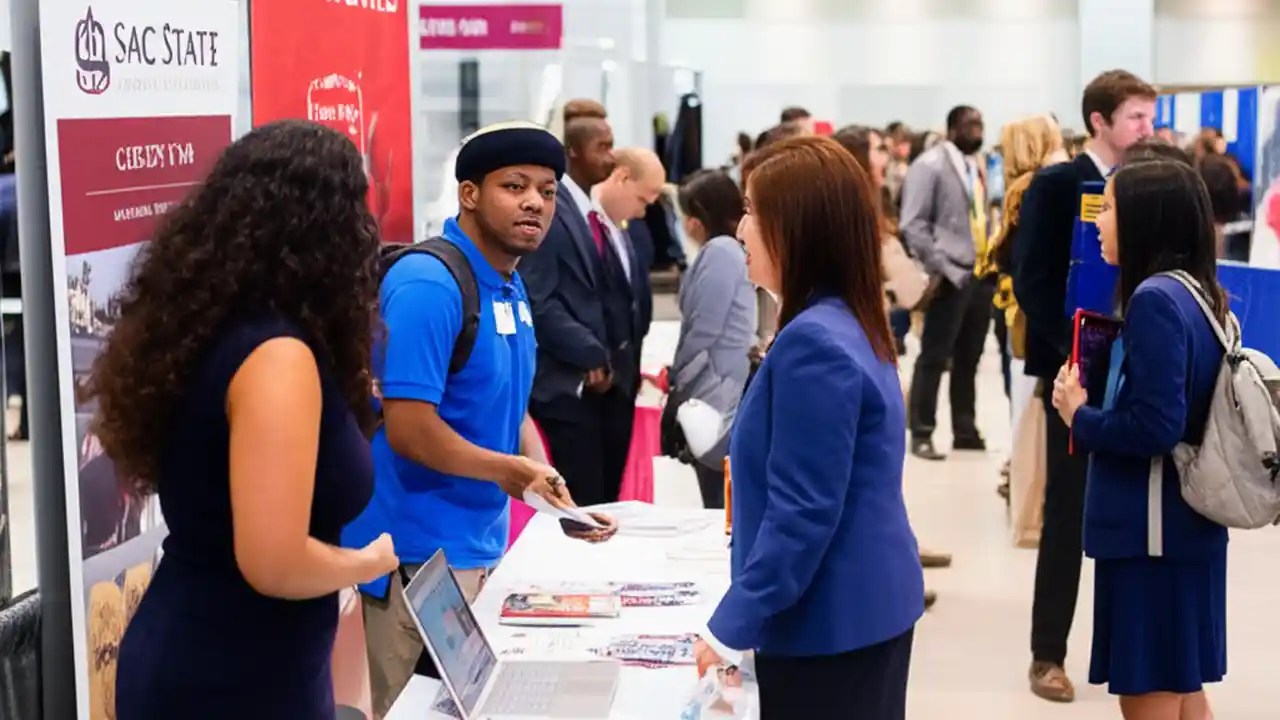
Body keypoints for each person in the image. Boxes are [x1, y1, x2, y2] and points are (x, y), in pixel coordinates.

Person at [93, 121, 395, 719]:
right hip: (228, 675)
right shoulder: (275, 358)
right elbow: (274, 562)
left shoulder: (215, 328)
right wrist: (371, 561)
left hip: (244, 654)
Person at [342, 121, 618, 716]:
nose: (534, 204)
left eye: (546, 191)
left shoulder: (508, 284)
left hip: (476, 552)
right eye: (514, 186)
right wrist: (509, 474)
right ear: (469, 194)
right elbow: (410, 427)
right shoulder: (429, 285)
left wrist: (546, 485)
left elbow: (509, 408)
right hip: (412, 561)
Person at [694, 135, 924, 719]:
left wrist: (728, 628)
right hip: (860, 606)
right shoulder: (845, 319)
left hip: (830, 623)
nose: (740, 230)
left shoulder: (814, 341)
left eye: (751, 212)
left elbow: (804, 511)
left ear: (796, 227)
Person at [1053, 160, 1228, 720]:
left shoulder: (1154, 301)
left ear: (1145, 218)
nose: (1098, 222)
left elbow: (1156, 425)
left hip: (1151, 534)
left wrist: (1079, 414)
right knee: (1183, 686)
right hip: (1184, 528)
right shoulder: (1199, 295)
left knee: (1151, 690)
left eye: (1108, 208)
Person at [1012, 68, 1155, 703]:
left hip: (1140, 374)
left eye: (1149, 118)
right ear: (1099, 121)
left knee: (1136, 518)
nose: (1148, 129)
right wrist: (1073, 354)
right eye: (1136, 118)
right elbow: (1033, 282)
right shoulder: (1059, 184)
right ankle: (1048, 655)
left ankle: (1135, 652)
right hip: (1074, 376)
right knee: (1067, 518)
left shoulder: (1150, 186)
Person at [834, 124, 948, 607]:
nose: (888, 156)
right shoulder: (851, 207)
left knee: (883, 461)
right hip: (863, 336)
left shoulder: (874, 201)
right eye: (878, 148)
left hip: (879, 335)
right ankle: (886, 569)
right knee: (866, 464)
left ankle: (898, 555)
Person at [521, 102, 639, 507]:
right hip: (567, 388)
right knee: (581, 507)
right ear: (574, 152)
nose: (611, 155)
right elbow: (540, 299)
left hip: (602, 387)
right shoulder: (554, 212)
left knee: (601, 500)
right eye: (601, 147)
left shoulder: (587, 210)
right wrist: (591, 351)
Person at [900, 104, 994, 460]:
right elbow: (913, 223)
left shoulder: (975, 165)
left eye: (981, 124)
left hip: (979, 273)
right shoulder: (931, 165)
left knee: (969, 357)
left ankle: (965, 428)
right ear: (952, 128)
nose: (978, 131)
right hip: (950, 274)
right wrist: (942, 265)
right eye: (971, 125)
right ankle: (922, 431)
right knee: (934, 357)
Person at [989, 115, 1067, 499]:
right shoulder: (1035, 189)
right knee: (1029, 407)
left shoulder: (1021, 188)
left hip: (1017, 316)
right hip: (1029, 319)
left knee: (1024, 405)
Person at [670, 169, 756, 509]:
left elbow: (702, 330)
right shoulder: (732, 250)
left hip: (716, 387)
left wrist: (676, 383)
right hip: (723, 380)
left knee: (720, 500)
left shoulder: (720, 251)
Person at [592, 146, 663, 368]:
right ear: (622, 177)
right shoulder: (583, 224)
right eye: (641, 200)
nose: (642, 212)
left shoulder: (626, 228)